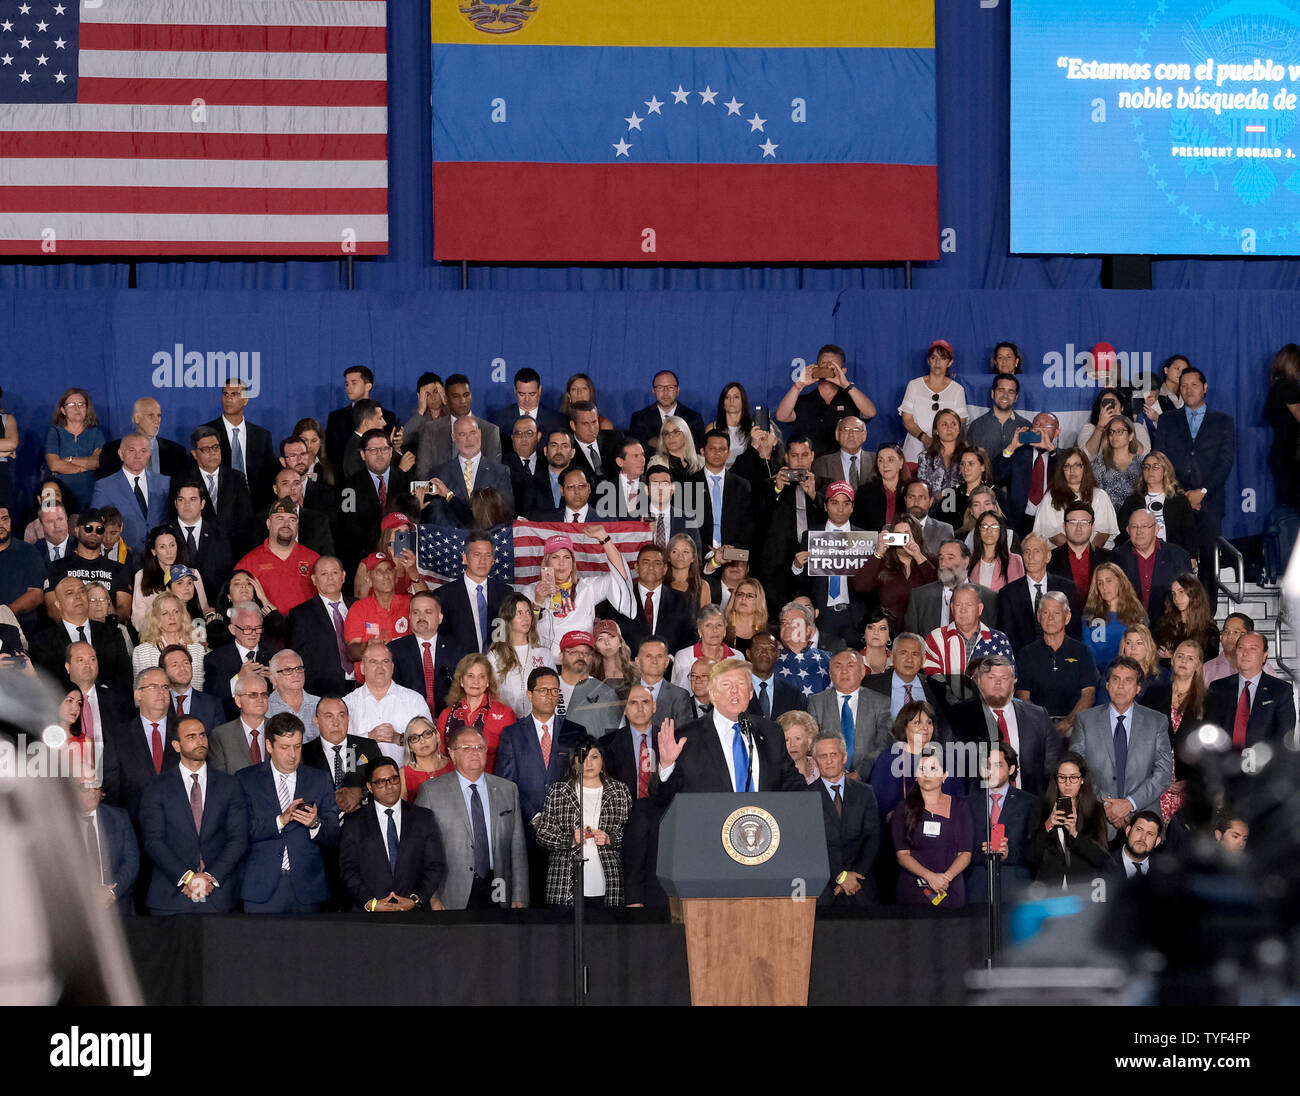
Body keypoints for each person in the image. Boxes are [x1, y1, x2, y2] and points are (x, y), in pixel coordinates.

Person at [138, 717, 248, 915]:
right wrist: (189, 878)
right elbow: (153, 841)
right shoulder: (157, 787)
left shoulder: (229, 785)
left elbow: (238, 838)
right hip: (171, 896)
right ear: (176, 745)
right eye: (191, 736)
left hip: (218, 894)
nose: (200, 741)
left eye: (203, 735)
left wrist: (210, 877)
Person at [653, 658, 804, 800]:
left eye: (741, 684)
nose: (734, 691)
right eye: (726, 685)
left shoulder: (771, 732)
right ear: (712, 694)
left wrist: (812, 805)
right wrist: (666, 766)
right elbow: (661, 798)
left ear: (751, 693)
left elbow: (791, 782)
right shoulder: (686, 738)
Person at [1149, 366, 1236, 611]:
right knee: (1176, 559)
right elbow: (1161, 459)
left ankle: (1207, 618)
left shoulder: (1223, 421)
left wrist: (1203, 492)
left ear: (1205, 387)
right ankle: (1174, 615)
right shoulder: (1168, 420)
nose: (1188, 390)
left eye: (1194, 385)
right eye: (1183, 385)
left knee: (1209, 561)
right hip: (1176, 501)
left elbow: (1225, 462)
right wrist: (1181, 496)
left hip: (1210, 502)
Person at [414, 722, 528, 909]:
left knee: (497, 938)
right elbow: (419, 849)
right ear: (452, 753)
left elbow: (517, 848)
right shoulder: (431, 792)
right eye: (466, 748)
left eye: (479, 747)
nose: (474, 752)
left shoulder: (508, 789)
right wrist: (431, 896)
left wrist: (520, 894)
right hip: (451, 891)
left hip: (498, 887)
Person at [497, 667, 587, 899]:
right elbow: (507, 782)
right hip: (527, 830)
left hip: (566, 831)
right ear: (529, 694)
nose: (549, 696)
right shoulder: (512, 734)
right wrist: (534, 816)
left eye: (554, 691)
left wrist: (559, 818)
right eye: (543, 690)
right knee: (532, 897)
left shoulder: (575, 731)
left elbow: (583, 778)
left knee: (563, 901)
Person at [235, 712, 339, 913]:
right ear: (269, 746)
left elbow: (334, 835)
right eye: (284, 747)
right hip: (260, 889)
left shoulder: (319, 780)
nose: (292, 755)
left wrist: (315, 824)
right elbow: (240, 832)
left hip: (308, 889)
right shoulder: (246, 780)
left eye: (297, 746)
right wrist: (280, 821)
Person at [1069, 656, 1174, 840]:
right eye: (1115, 680)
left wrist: (1129, 804)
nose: (1120, 686)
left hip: (1143, 820)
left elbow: (1163, 773)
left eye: (1128, 681)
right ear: (1107, 685)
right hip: (1096, 818)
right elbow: (1076, 771)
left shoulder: (1156, 722)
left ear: (1138, 688)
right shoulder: (1085, 720)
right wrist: (1107, 805)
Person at [533, 736, 632, 907]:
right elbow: (542, 835)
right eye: (582, 758)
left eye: (594, 757)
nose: (588, 763)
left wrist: (610, 839)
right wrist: (570, 840)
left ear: (603, 760)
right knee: (565, 933)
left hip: (609, 882)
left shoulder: (619, 791)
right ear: (574, 763)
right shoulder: (559, 790)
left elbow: (632, 835)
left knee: (605, 932)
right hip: (564, 883)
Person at [340, 756, 446, 913]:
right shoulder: (354, 822)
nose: (389, 786)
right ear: (370, 787)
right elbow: (348, 870)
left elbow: (435, 865)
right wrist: (371, 903)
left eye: (394, 779)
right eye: (381, 782)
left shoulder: (423, 817)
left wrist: (415, 900)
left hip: (414, 913)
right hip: (370, 915)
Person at [953, 655, 1062, 797]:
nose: (998, 683)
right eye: (991, 677)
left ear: (1014, 682)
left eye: (1004, 678)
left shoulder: (1038, 716)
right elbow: (952, 768)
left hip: (1029, 808)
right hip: (975, 809)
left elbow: (1053, 768)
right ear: (978, 681)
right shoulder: (957, 717)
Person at [1141, 640, 1220, 824]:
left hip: (1191, 788)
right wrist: (1159, 777)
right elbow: (1142, 738)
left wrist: (1189, 780)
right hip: (1155, 782)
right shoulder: (1154, 693)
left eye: (1190, 658)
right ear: (1172, 660)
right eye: (1180, 656)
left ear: (1198, 665)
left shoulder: (1210, 700)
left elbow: (1211, 749)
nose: (1184, 661)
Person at [528, 530, 633, 656]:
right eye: (555, 557)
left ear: (572, 563)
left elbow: (620, 577)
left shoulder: (587, 587)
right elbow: (523, 631)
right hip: (544, 665)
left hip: (581, 663)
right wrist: (537, 602)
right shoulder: (531, 590)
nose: (561, 563)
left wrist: (604, 539)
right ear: (546, 562)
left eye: (566, 557)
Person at [892, 744, 971, 908]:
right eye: (922, 768)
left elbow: (965, 853)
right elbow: (902, 854)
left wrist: (944, 879)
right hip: (913, 891)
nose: (926, 774)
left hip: (950, 889)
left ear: (944, 775)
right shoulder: (903, 808)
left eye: (933, 768)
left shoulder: (960, 807)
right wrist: (930, 877)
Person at [808, 731, 879, 906]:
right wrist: (840, 876)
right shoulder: (806, 797)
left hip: (860, 885)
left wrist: (855, 877)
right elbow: (810, 846)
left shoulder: (865, 792)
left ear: (844, 757)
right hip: (824, 890)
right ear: (815, 761)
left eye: (834, 754)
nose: (829, 760)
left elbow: (872, 840)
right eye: (823, 756)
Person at [101, 667, 180, 822]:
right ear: (138, 694)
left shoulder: (184, 730)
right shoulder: (118, 736)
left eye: (165, 687)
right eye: (153, 686)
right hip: (135, 826)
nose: (161, 691)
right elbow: (112, 788)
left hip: (180, 826)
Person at [1013, 592, 1098, 735]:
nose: (1050, 618)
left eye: (1057, 613)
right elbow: (1023, 697)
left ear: (1067, 618)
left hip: (1074, 726)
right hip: (1037, 726)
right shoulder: (1027, 653)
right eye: (1045, 612)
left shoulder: (1082, 652)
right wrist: (1043, 725)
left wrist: (1067, 723)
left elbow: (1088, 695)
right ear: (1039, 617)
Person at [30, 576, 131, 695]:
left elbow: (125, 678)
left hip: (109, 707)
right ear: (58, 604)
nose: (78, 596)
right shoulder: (42, 641)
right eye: (70, 593)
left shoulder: (112, 633)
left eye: (82, 591)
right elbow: (47, 684)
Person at [866, 700, 963, 818]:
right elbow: (876, 804)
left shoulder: (947, 759)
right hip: (897, 830)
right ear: (904, 726)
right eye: (917, 722)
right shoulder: (887, 759)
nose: (925, 728)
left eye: (929, 722)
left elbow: (959, 801)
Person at [1028, 752, 1110, 889]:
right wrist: (1048, 824)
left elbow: (1101, 859)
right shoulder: (1040, 807)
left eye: (1073, 778)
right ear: (1055, 779)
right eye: (1062, 778)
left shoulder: (1096, 809)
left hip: (1082, 890)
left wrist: (1074, 833)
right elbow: (1031, 856)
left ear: (1082, 779)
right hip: (1049, 891)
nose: (1067, 783)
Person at [964, 742, 1034, 903]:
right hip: (977, 886)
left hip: (1015, 885)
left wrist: (1010, 853)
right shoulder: (966, 804)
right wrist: (982, 853)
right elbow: (959, 847)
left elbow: (1035, 850)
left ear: (1010, 769)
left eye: (998, 765)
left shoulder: (1030, 803)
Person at [806, 649, 895, 774]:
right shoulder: (816, 702)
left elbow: (884, 743)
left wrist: (861, 773)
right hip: (828, 775)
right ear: (831, 674)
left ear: (862, 672)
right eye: (838, 666)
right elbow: (813, 743)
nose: (844, 671)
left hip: (870, 776)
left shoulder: (880, 702)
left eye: (850, 665)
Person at [344, 639, 433, 764]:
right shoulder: (347, 704)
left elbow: (430, 743)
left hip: (407, 779)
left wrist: (399, 739)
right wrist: (369, 737)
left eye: (385, 661)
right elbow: (341, 750)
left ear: (392, 667)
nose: (380, 667)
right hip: (362, 780)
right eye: (373, 662)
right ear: (363, 668)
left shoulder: (414, 700)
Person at [921, 583, 1015, 700]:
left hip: (988, 711)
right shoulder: (936, 638)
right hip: (948, 711)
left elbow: (1008, 681)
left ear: (979, 609)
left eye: (969, 605)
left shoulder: (999, 640)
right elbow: (933, 681)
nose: (963, 610)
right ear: (952, 608)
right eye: (958, 605)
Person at [1208, 631, 1296, 749]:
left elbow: (1284, 739)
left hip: (1263, 764)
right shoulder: (1218, 688)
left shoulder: (1280, 690)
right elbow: (1210, 732)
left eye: (1253, 648)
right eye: (1240, 648)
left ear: (1265, 655)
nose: (1245, 653)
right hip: (1224, 763)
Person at [44, 508, 132, 624]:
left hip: (107, 632)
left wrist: (102, 626)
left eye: (99, 530)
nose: (94, 533)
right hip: (71, 633)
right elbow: (52, 609)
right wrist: (81, 627)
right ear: (76, 530)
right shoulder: (57, 567)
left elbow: (124, 610)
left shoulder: (119, 569)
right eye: (88, 528)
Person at [605, 543, 695, 655]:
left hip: (669, 668)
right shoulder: (618, 597)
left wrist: (671, 660)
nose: (651, 567)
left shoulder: (683, 600)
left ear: (665, 569)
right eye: (646, 562)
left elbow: (690, 638)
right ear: (636, 567)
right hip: (627, 668)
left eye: (657, 563)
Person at [89, 433, 170, 556]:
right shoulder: (105, 486)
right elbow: (97, 525)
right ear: (121, 454)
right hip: (123, 558)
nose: (138, 456)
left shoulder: (165, 482)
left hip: (160, 556)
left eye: (143, 451)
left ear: (149, 454)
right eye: (132, 450)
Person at [996, 533, 1080, 653]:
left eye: (1037, 551)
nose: (1031, 557)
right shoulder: (1008, 593)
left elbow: (1074, 631)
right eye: (1027, 552)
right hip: (1023, 662)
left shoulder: (1068, 588)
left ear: (1048, 556)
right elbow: (1007, 637)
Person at [849, 515, 934, 632]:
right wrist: (878, 552)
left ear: (916, 535)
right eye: (898, 534)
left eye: (907, 534)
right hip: (889, 633)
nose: (903, 539)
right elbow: (860, 586)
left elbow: (939, 589)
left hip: (922, 632)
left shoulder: (927, 561)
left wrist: (918, 556)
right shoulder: (882, 563)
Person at [201, 378, 277, 508]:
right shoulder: (206, 433)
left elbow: (269, 475)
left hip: (256, 504)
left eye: (234, 394)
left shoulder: (262, 436)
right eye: (225, 394)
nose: (228, 399)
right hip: (218, 504)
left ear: (245, 400)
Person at [434, 652, 515, 772]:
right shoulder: (446, 714)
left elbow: (512, 761)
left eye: (482, 676)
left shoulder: (505, 714)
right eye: (470, 676)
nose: (476, 682)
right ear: (461, 680)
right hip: (452, 783)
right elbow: (440, 757)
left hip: (491, 782)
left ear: (488, 681)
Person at [903, 539, 998, 637]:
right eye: (941, 558)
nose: (943, 564)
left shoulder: (989, 598)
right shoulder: (920, 597)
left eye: (950, 558)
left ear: (966, 562)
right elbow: (910, 641)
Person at [1115, 452, 1199, 558]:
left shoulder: (1179, 501)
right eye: (1146, 467)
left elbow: (1190, 534)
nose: (1150, 470)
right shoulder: (1132, 501)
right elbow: (1122, 533)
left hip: (1173, 558)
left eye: (1156, 467)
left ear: (1165, 471)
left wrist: (1192, 558)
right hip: (1137, 558)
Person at [1113, 508, 1193, 619]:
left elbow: (1190, 599)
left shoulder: (1179, 557)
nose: (1139, 531)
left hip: (1168, 628)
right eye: (1134, 527)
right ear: (1128, 530)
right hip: (1127, 627)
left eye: (1145, 526)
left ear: (1156, 529)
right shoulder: (1115, 558)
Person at [486, 591, 556, 718]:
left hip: (538, 721)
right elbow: (489, 694)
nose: (526, 618)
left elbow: (554, 690)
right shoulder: (494, 657)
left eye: (528, 612)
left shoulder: (544, 653)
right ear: (508, 618)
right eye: (519, 613)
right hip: (506, 722)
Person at [898, 339, 968, 466]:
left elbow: (961, 422)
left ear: (950, 362)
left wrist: (943, 442)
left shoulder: (957, 390)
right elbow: (907, 419)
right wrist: (925, 439)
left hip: (945, 452)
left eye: (943, 358)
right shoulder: (914, 385)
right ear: (928, 360)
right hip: (914, 450)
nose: (937, 362)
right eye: (934, 357)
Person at [1033, 447, 1119, 549]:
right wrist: (1074, 551)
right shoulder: (1051, 497)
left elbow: (1104, 533)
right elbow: (1051, 534)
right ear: (1061, 471)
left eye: (1077, 465)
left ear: (1085, 468)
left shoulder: (1100, 496)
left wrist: (1087, 553)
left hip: (1095, 554)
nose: (1072, 470)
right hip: (1061, 555)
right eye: (1067, 466)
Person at [188, 426, 255, 556]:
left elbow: (246, 518)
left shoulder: (237, 477)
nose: (212, 453)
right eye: (205, 449)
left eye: (215, 447)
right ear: (195, 454)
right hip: (198, 552)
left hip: (233, 551)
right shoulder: (184, 480)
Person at [76, 779, 139, 916]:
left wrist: (112, 892)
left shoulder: (118, 817)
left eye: (96, 786)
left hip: (119, 906)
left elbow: (132, 862)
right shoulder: (61, 824)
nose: (92, 791)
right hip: (80, 910)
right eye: (84, 787)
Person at [324, 366, 398, 471]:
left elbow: (390, 452)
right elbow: (332, 454)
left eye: (354, 383)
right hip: (345, 480)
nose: (348, 388)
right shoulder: (336, 417)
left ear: (368, 386)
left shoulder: (388, 417)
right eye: (347, 384)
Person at [45, 387, 105, 511]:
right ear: (63, 410)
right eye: (71, 404)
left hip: (91, 495)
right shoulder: (55, 432)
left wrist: (70, 460)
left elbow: (97, 462)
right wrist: (83, 467)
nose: (77, 408)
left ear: (87, 409)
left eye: (81, 404)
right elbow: (54, 465)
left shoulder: (96, 433)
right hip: (62, 496)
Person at [1081, 563, 1147, 676]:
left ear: (1120, 582)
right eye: (1100, 583)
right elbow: (1088, 650)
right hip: (1097, 676)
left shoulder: (1137, 616)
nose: (1104, 587)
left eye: (1108, 581)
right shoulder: (1090, 616)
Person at [967, 373, 1032, 487]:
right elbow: (971, 465)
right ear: (993, 393)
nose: (1005, 395)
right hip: (985, 492)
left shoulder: (1026, 427)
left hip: (1018, 496)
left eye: (1011, 391)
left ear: (1016, 397)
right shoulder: (977, 426)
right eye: (1001, 390)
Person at [132, 593, 206, 690]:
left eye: (176, 612)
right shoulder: (142, 652)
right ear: (156, 618)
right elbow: (140, 692)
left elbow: (199, 689)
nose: (172, 617)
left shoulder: (197, 649)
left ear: (182, 615)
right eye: (165, 613)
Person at [1004, 411, 1061, 536]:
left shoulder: (1062, 457)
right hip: (1020, 521)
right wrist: (1011, 448)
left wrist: (1051, 450)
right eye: (1037, 424)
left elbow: (1066, 476)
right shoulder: (1019, 455)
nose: (1040, 428)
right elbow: (996, 476)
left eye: (1046, 425)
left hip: (1051, 522)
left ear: (1057, 432)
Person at [207, 665, 272, 775]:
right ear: (238, 701)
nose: (260, 699)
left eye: (264, 694)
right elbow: (220, 780)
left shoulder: (279, 728)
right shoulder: (221, 735)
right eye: (253, 695)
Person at [553, 630, 622, 732]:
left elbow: (617, 737)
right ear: (561, 657)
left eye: (586, 653)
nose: (581, 656)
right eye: (573, 652)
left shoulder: (606, 693)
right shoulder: (547, 688)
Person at [628, 370, 706, 451]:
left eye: (670, 387)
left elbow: (697, 447)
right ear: (653, 391)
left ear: (678, 390)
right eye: (660, 388)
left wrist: (659, 443)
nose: (665, 392)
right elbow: (636, 448)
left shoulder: (693, 418)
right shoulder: (639, 418)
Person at [1153, 573, 1220, 662]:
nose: (1176, 598)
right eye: (1174, 594)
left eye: (1181, 592)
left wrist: (1175, 657)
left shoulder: (1210, 631)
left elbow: (1209, 664)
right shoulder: (1165, 625)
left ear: (1194, 594)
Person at [1265, 342, 1300, 509]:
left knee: (1288, 500)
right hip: (1292, 454)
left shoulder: (1276, 388)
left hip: (1282, 452)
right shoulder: (1289, 387)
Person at [1203, 612, 1282, 684]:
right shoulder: (1207, 669)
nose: (1229, 636)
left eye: (1236, 632)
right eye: (1226, 632)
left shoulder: (1262, 668)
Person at [672, 603, 740, 686]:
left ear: (725, 630)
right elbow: (676, 693)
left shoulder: (737, 657)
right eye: (708, 625)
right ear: (700, 631)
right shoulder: (684, 657)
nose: (715, 630)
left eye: (719, 625)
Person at [774, 600, 832, 697]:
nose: (787, 626)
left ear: (808, 630)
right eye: (784, 622)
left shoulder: (828, 659)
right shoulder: (771, 659)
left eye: (794, 622)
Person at [162, 644, 223, 731]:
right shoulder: (159, 703)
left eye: (186, 663)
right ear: (164, 672)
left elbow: (218, 741)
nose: (182, 668)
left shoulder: (212, 704)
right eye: (175, 665)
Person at [1077, 388, 1151, 459]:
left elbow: (1143, 454)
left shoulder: (1137, 427)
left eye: (1113, 403)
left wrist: (1123, 424)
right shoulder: (1089, 428)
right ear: (1100, 408)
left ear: (1121, 407)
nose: (1110, 408)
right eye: (1105, 404)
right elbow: (1086, 456)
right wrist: (1100, 427)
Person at [1091, 415, 1145, 510]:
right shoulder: (1099, 462)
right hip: (1108, 518)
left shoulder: (1142, 462)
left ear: (1131, 436)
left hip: (1137, 519)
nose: (1114, 435)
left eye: (1119, 431)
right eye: (1111, 432)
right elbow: (1094, 496)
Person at [967, 509, 1024, 593]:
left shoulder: (1014, 560)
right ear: (978, 530)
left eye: (994, 527)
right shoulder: (970, 561)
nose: (989, 531)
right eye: (984, 526)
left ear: (1001, 530)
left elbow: (1017, 594)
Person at [915, 410, 967, 499]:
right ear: (936, 431)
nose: (949, 428)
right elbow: (922, 489)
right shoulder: (925, 457)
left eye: (953, 424)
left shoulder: (968, 456)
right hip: (933, 509)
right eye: (944, 424)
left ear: (959, 430)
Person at [1109, 810, 1164, 882]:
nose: (1143, 838)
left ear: (1157, 842)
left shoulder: (1164, 872)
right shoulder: (1102, 864)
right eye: (1139, 829)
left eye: (1150, 834)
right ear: (1128, 831)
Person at [666, 532, 710, 607]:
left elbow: (705, 617)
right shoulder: (659, 583)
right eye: (675, 551)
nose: (680, 555)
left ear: (693, 557)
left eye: (685, 552)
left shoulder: (702, 586)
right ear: (669, 557)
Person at [778, 711, 821, 783]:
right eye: (787, 740)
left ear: (809, 741)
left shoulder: (821, 766)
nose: (792, 745)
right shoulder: (775, 772)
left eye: (798, 738)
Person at [860, 609, 894, 677]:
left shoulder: (898, 662)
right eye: (871, 628)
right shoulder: (854, 662)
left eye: (882, 628)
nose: (876, 632)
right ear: (864, 634)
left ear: (889, 636)